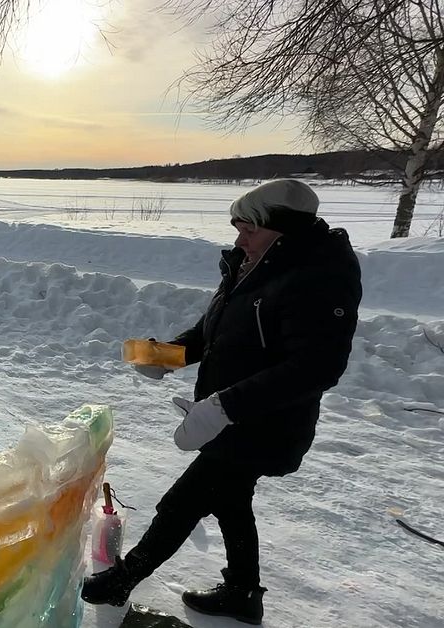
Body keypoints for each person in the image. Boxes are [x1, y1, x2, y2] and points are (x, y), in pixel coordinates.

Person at [81, 179, 362, 625]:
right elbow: (220, 331)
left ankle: (121, 581)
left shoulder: (318, 276)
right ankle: (242, 592)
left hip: (266, 422)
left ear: (282, 229)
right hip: (229, 417)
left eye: (248, 228)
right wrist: (167, 355)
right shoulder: (253, 264)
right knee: (231, 501)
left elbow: (317, 367)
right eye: (237, 227)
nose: (239, 238)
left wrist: (222, 406)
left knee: (183, 502)